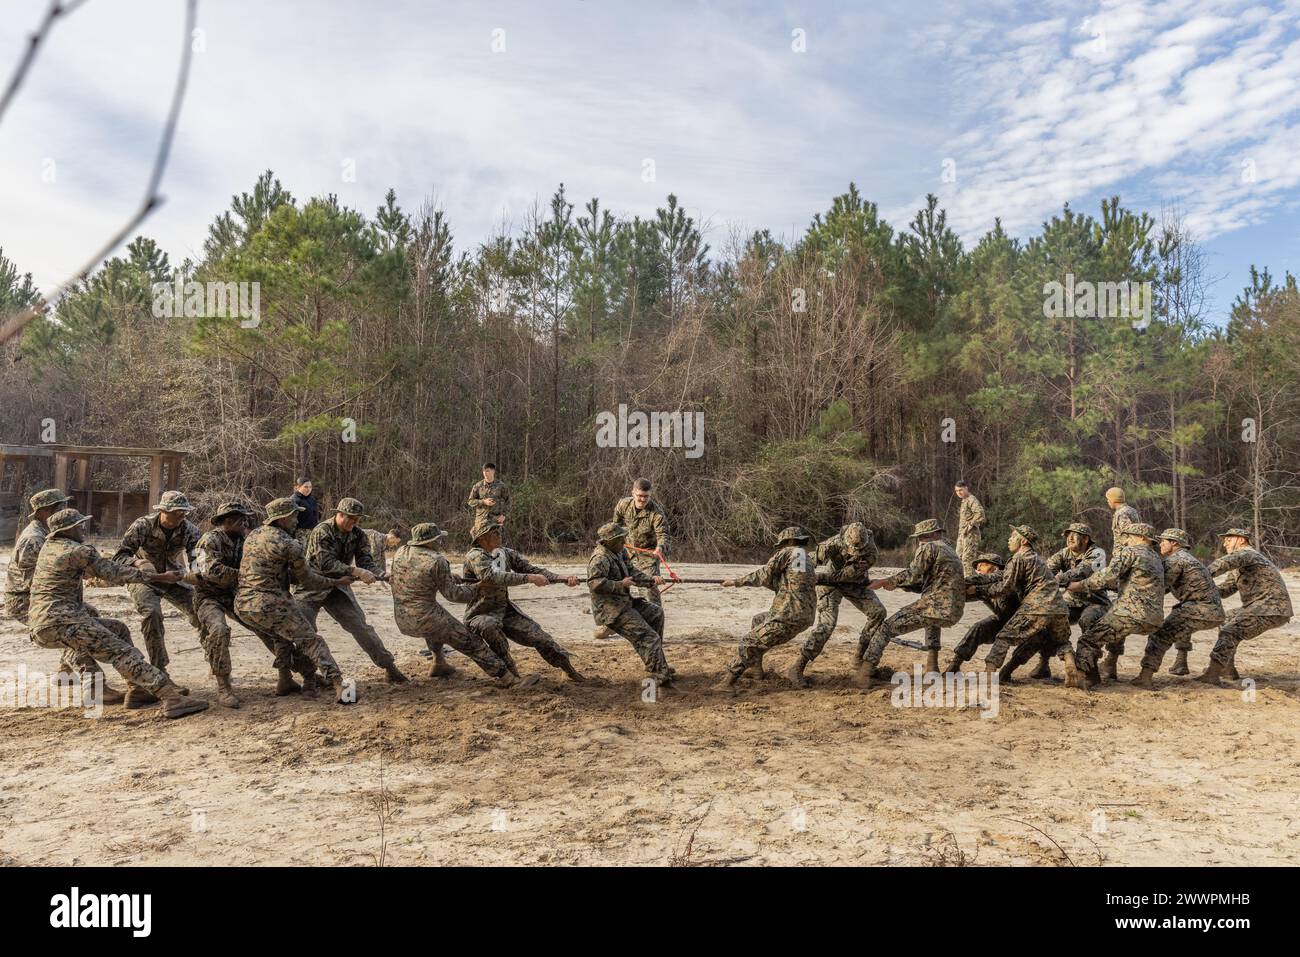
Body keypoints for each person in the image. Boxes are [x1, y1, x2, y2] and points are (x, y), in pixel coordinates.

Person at [27, 508, 206, 718]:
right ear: (68, 530)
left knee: (118, 629)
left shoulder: (49, 547)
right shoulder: (79, 551)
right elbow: (114, 572)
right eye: (79, 525)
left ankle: (137, 689)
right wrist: (160, 578)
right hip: (66, 622)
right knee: (123, 653)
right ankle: (171, 698)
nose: (83, 528)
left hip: (40, 624)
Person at [191, 501, 319, 707]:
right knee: (218, 630)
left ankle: (292, 675)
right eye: (242, 519)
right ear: (229, 520)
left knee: (273, 629)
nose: (246, 522)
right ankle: (224, 686)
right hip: (209, 596)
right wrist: (249, 576)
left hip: (239, 594)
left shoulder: (247, 539)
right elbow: (208, 572)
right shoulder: (208, 540)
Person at [235, 497, 357, 704]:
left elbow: (270, 570)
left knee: (281, 637)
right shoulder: (289, 544)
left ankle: (285, 680)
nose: (297, 521)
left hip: (243, 604)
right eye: (294, 516)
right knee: (311, 640)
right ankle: (339, 684)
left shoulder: (253, 535)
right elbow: (308, 580)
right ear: (282, 518)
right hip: (271, 603)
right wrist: (336, 582)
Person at [387, 523, 521, 687]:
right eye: (439, 539)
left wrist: (447, 577)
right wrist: (479, 588)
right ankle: (508, 678)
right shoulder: (437, 561)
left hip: (402, 617)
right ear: (431, 541)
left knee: (436, 620)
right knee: (472, 643)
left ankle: (439, 663)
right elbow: (454, 595)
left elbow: (417, 575)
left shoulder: (401, 552)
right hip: (425, 619)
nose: (440, 542)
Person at [2, 488, 105, 688]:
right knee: (74, 628)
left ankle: (65, 672)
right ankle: (92, 684)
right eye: (59, 507)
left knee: (87, 617)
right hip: (26, 599)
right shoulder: (34, 539)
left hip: (42, 597)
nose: (63, 510)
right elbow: (36, 581)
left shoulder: (48, 533)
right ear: (45, 511)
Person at [298, 497, 407, 684]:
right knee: (303, 630)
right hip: (312, 586)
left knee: (360, 627)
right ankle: (308, 677)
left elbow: (366, 561)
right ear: (339, 515)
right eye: (351, 518)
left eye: (358, 519)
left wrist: (381, 574)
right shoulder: (322, 531)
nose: (355, 523)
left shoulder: (358, 535)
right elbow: (325, 563)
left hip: (338, 588)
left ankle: (389, 667)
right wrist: (355, 571)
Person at [461, 519, 585, 681]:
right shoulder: (475, 556)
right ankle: (512, 676)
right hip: (480, 613)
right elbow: (493, 577)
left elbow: (532, 569)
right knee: (491, 628)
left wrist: (563, 578)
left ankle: (568, 670)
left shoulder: (503, 553)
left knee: (540, 637)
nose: (499, 535)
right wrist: (529, 578)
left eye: (499, 531)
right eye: (495, 533)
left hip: (505, 611)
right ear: (482, 538)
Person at [857, 519, 965, 687]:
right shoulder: (951, 551)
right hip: (954, 610)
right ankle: (932, 667)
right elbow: (925, 582)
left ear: (929, 536)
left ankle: (864, 672)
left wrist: (886, 581)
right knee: (931, 624)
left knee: (886, 628)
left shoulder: (929, 547)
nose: (919, 541)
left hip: (935, 605)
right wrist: (897, 584)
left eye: (921, 537)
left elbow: (913, 574)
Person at [113, 490, 203, 686]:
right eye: (177, 512)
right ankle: (160, 672)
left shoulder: (190, 530)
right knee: (152, 615)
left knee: (203, 611)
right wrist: (138, 563)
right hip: (145, 579)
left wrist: (196, 575)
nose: (181, 516)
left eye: (184, 512)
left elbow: (198, 559)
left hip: (174, 577)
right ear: (163, 511)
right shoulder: (143, 525)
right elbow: (119, 556)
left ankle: (216, 659)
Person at [716, 526, 817, 690]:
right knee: (758, 620)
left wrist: (736, 582)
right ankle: (756, 669)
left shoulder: (789, 552)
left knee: (749, 642)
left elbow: (764, 573)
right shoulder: (807, 560)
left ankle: (727, 682)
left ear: (790, 542)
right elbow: (787, 583)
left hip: (787, 615)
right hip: (804, 615)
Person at [787, 522, 885, 687]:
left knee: (878, 612)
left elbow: (846, 576)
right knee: (827, 624)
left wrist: (816, 579)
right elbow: (810, 559)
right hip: (829, 584)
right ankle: (798, 666)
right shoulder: (833, 543)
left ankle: (859, 658)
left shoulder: (870, 551)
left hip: (853, 582)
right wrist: (797, 572)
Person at [1067, 522, 1165, 687]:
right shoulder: (1156, 558)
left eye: (1129, 537)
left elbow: (1108, 575)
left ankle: (1087, 677)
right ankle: (1114, 668)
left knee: (1088, 640)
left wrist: (1080, 585)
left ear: (1141, 538)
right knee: (1115, 626)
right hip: (1154, 618)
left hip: (1131, 613)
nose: (1126, 541)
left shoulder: (1130, 552)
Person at [976, 526, 1075, 683]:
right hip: (1060, 608)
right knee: (1061, 641)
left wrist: (979, 590)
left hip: (1037, 605)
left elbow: (1004, 587)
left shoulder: (1019, 558)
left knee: (1004, 637)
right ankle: (1069, 662)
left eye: (1012, 536)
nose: (1009, 539)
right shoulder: (1038, 559)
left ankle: (989, 673)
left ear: (1023, 540)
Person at [1199, 528, 1294, 686]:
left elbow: (1224, 562)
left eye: (1229, 539)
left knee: (1229, 630)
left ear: (1241, 540)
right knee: (1226, 619)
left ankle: (1213, 673)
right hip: (1260, 607)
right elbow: (1227, 589)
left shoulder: (1248, 553)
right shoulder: (1240, 564)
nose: (1225, 543)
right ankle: (1227, 671)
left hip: (1270, 608)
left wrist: (1199, 575)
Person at [1131, 528, 1224, 688]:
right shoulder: (1188, 559)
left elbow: (1159, 587)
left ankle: (1145, 677)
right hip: (1213, 611)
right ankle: (1181, 664)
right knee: (1179, 617)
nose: (1160, 544)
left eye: (1163, 541)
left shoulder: (1175, 560)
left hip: (1200, 609)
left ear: (1174, 543)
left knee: (1160, 634)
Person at [588, 522, 673, 686]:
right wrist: (620, 584)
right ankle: (660, 676)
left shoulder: (619, 552)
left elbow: (632, 572)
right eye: (620, 539)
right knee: (649, 637)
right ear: (609, 541)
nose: (624, 541)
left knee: (656, 613)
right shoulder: (600, 558)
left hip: (625, 603)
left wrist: (651, 580)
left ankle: (657, 664)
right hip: (612, 610)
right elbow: (594, 583)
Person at [1041, 522, 1109, 678]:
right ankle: (1044, 663)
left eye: (1074, 535)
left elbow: (1082, 572)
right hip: (1072, 600)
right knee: (1049, 618)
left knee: (1088, 621)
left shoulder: (1097, 553)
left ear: (1085, 539)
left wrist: (1057, 579)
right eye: (1067, 535)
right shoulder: (1064, 553)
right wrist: (1048, 578)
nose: (1069, 538)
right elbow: (1046, 570)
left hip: (1095, 601)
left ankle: (1091, 672)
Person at [943, 553, 1017, 673]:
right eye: (977, 566)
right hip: (1003, 620)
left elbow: (984, 582)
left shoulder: (1004, 577)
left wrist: (962, 583)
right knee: (978, 627)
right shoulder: (984, 585)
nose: (978, 569)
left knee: (1005, 637)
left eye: (982, 565)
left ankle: (1000, 671)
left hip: (1020, 622)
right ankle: (955, 665)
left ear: (995, 568)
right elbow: (967, 595)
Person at [609, 478, 673, 611]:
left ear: (650, 495)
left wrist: (660, 548)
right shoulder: (623, 505)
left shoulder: (657, 514)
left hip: (648, 556)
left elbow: (664, 536)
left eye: (646, 496)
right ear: (633, 493)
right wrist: (614, 543)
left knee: (649, 587)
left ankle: (654, 622)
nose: (642, 500)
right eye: (639, 496)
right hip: (626, 552)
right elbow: (615, 526)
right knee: (614, 584)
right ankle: (612, 621)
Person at [953, 480, 987, 574]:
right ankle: (960, 581)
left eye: (961, 490)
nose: (959, 493)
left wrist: (971, 524)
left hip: (970, 535)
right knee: (957, 558)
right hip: (963, 535)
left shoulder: (971, 499)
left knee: (967, 560)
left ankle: (969, 583)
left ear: (966, 488)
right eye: (956, 491)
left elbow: (981, 514)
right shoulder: (964, 501)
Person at [467, 463, 509, 528]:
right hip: (481, 522)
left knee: (494, 538)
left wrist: (504, 515)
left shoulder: (501, 486)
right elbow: (470, 501)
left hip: (495, 521)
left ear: (493, 471)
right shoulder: (477, 486)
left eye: (487, 471)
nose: (485, 473)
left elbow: (508, 501)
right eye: (483, 471)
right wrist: (483, 502)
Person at [1105, 487, 1140, 554]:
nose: (1107, 501)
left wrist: (1122, 555)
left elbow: (1126, 535)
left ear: (1113, 499)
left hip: (1124, 553)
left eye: (1108, 499)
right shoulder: (1132, 510)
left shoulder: (1120, 513)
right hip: (1133, 551)